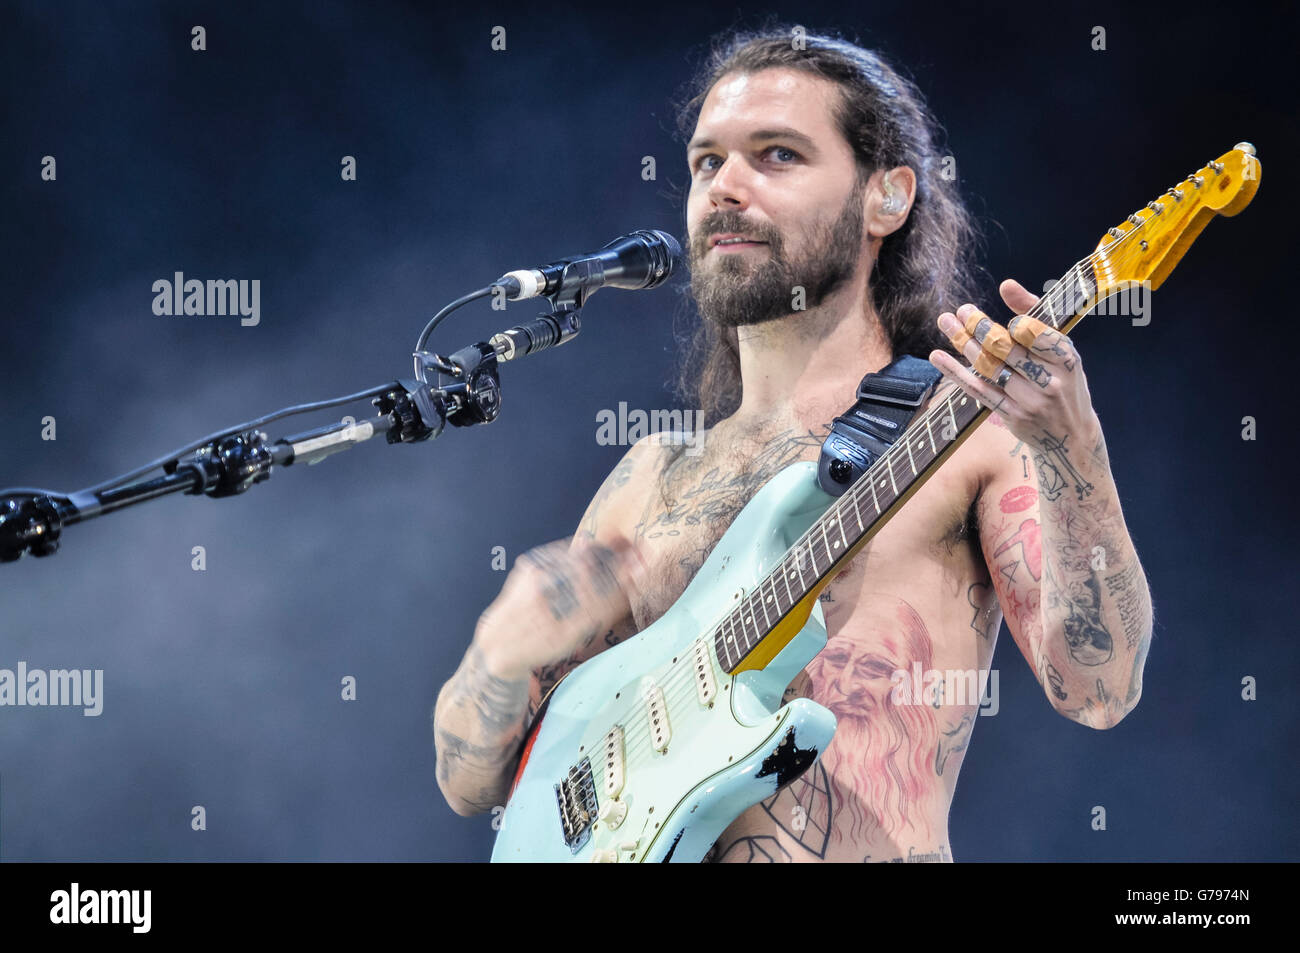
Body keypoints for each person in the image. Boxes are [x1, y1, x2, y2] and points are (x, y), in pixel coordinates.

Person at [432, 25, 1153, 863]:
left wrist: (1074, 448)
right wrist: (497, 653)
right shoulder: (650, 475)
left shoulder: (971, 430)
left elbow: (1100, 688)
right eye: (707, 162)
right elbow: (471, 786)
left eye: (776, 155)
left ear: (887, 198)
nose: (726, 188)